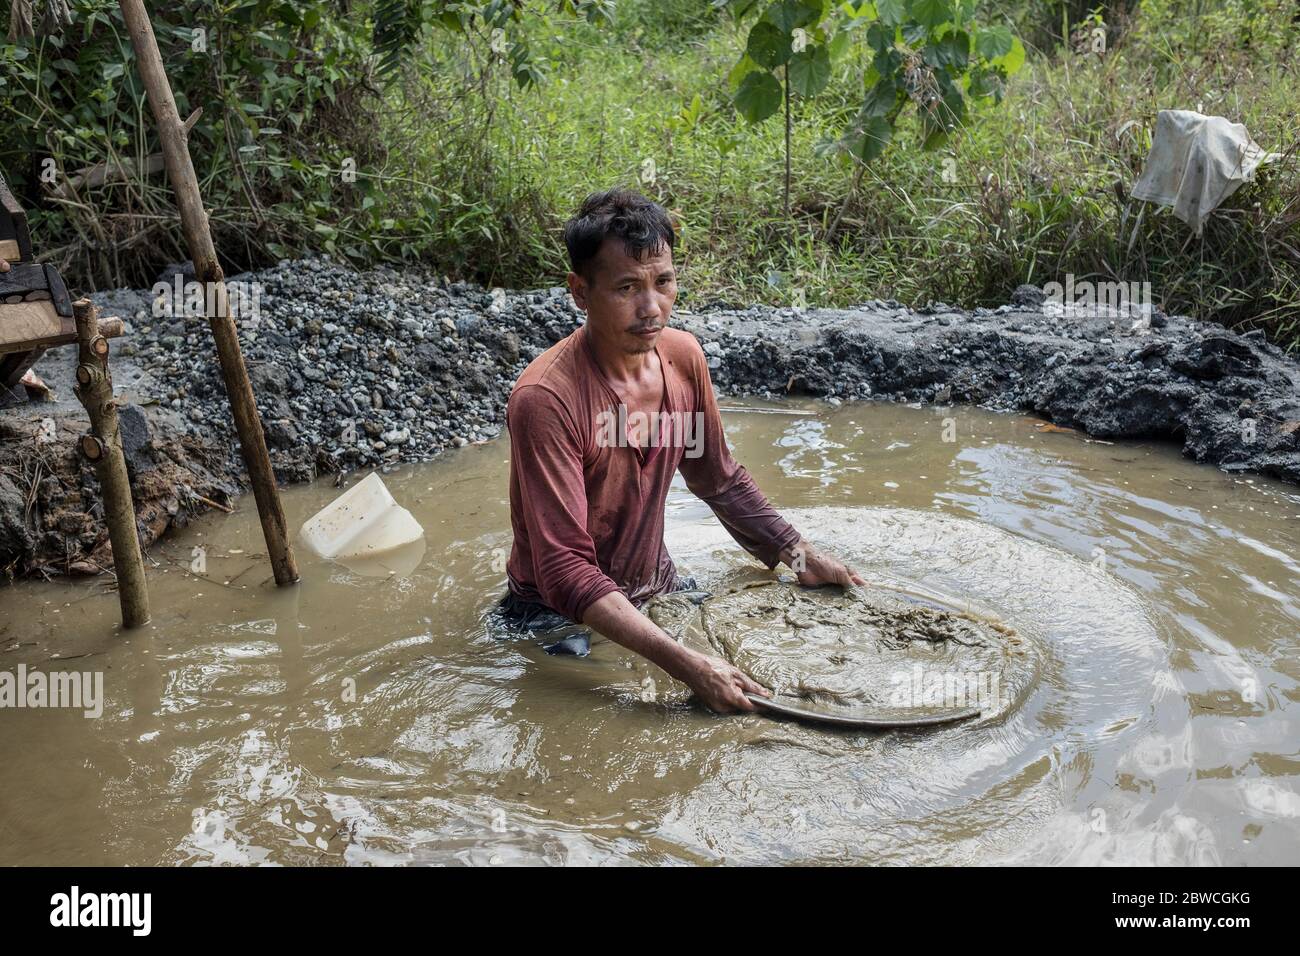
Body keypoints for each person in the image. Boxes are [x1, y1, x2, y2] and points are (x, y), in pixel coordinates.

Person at [498, 187, 865, 713]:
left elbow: (718, 478)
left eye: (663, 282)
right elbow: (564, 569)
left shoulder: (683, 357)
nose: (652, 308)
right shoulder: (546, 400)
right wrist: (687, 663)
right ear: (580, 292)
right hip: (556, 615)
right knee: (584, 729)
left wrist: (798, 554)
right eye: (627, 287)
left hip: (656, 587)